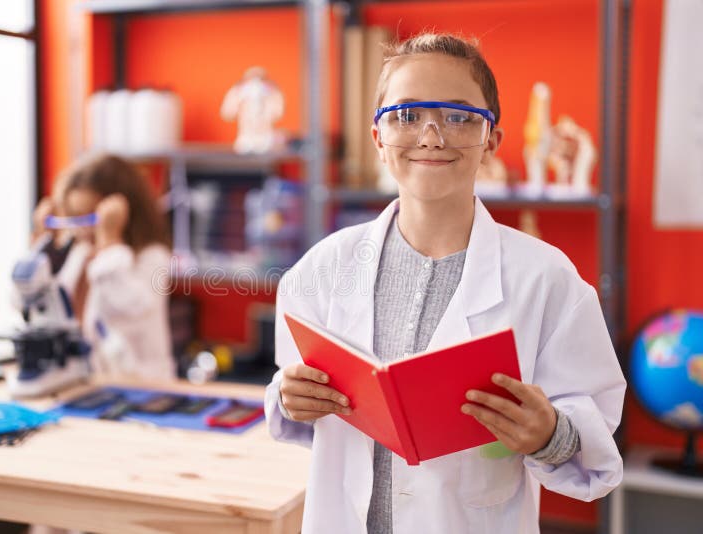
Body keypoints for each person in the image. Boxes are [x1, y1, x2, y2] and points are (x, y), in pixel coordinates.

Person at [264, 32, 625, 534]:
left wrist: (549, 435)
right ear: (378, 137)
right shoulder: (321, 271)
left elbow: (594, 431)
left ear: (491, 139)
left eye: (458, 116)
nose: (431, 136)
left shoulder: (548, 281)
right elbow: (293, 400)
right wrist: (289, 399)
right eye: (407, 115)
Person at [32, 153, 176, 382]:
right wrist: (43, 245)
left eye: (90, 219)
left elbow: (130, 307)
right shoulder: (79, 254)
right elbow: (36, 307)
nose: (83, 231)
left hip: (144, 385)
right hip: (89, 382)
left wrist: (109, 240)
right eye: (74, 218)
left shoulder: (152, 256)